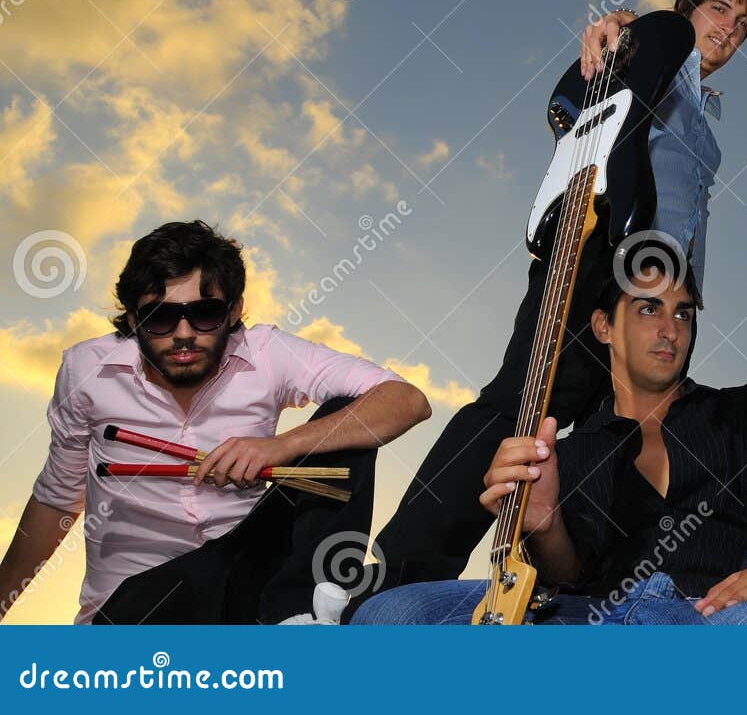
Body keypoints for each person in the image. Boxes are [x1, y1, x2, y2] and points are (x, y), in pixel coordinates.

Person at [370, 0, 747, 593]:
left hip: (654, 293)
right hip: (594, 253)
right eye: (720, 9)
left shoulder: (706, 111)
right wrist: (616, 34)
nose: (730, 29)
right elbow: (579, 99)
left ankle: (559, 595)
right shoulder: (653, 45)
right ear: (688, 5)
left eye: (744, 23)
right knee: (519, 407)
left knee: (605, 445)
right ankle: (392, 584)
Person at [0, 220, 430, 624]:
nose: (184, 332)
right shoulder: (85, 370)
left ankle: (301, 616)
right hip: (137, 607)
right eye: (161, 317)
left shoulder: (267, 352)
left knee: (347, 417)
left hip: (247, 582)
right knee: (149, 596)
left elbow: (406, 400)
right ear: (133, 319)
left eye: (204, 313)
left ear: (234, 310)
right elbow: (57, 501)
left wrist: (281, 446)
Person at [352, 256, 747, 625]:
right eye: (648, 308)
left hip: (711, 615)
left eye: (683, 313)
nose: (670, 329)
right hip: (585, 614)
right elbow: (569, 574)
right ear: (603, 326)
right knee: (390, 614)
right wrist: (545, 524)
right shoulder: (571, 452)